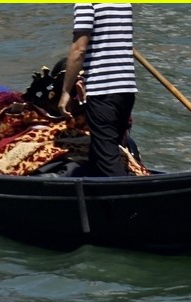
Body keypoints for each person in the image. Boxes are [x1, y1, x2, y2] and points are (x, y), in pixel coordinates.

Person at [58, 3, 138, 177]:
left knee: (107, 160)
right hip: (126, 89)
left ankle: (126, 202)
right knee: (100, 153)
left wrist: (65, 92)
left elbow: (79, 49)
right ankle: (94, 197)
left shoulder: (86, 4)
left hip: (102, 90)